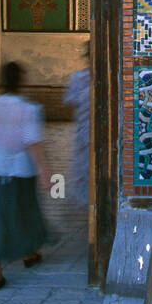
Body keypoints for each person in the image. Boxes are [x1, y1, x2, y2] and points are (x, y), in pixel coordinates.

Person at [0, 61, 50, 291]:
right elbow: (33, 142)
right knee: (25, 211)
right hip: (22, 169)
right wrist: (45, 172)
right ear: (21, 81)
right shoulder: (29, 109)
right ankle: (28, 252)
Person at [63, 42, 90, 208]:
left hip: (85, 129)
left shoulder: (78, 78)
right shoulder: (113, 76)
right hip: (87, 129)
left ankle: (89, 199)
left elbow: (72, 101)